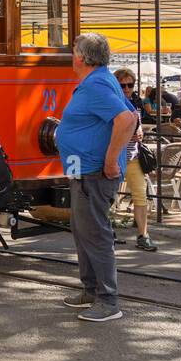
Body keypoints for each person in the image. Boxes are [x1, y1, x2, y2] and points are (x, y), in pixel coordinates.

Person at [55, 33, 138, 323]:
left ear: (82, 57)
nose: (72, 55)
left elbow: (127, 119)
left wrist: (111, 160)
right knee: (83, 230)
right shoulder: (98, 80)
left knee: (95, 233)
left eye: (74, 50)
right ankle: (91, 290)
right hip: (82, 169)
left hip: (93, 171)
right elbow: (132, 115)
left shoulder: (98, 83)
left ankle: (107, 299)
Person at [113, 68, 158, 252]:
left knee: (140, 195)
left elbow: (138, 125)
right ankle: (107, 232)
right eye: (122, 85)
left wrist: (139, 132)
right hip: (114, 157)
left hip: (132, 156)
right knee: (108, 196)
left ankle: (143, 235)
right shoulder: (111, 102)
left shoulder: (136, 103)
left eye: (129, 85)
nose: (126, 89)